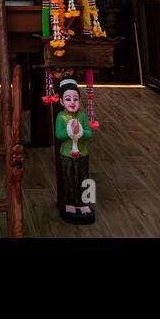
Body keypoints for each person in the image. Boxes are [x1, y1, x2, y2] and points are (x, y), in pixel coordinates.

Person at [55, 77, 95, 223]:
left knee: (84, 178)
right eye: (68, 99)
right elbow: (59, 134)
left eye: (75, 99)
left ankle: (84, 203)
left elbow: (89, 133)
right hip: (67, 154)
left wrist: (81, 131)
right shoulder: (61, 116)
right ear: (61, 101)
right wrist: (70, 131)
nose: (72, 102)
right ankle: (71, 203)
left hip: (82, 153)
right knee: (69, 179)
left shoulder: (82, 116)